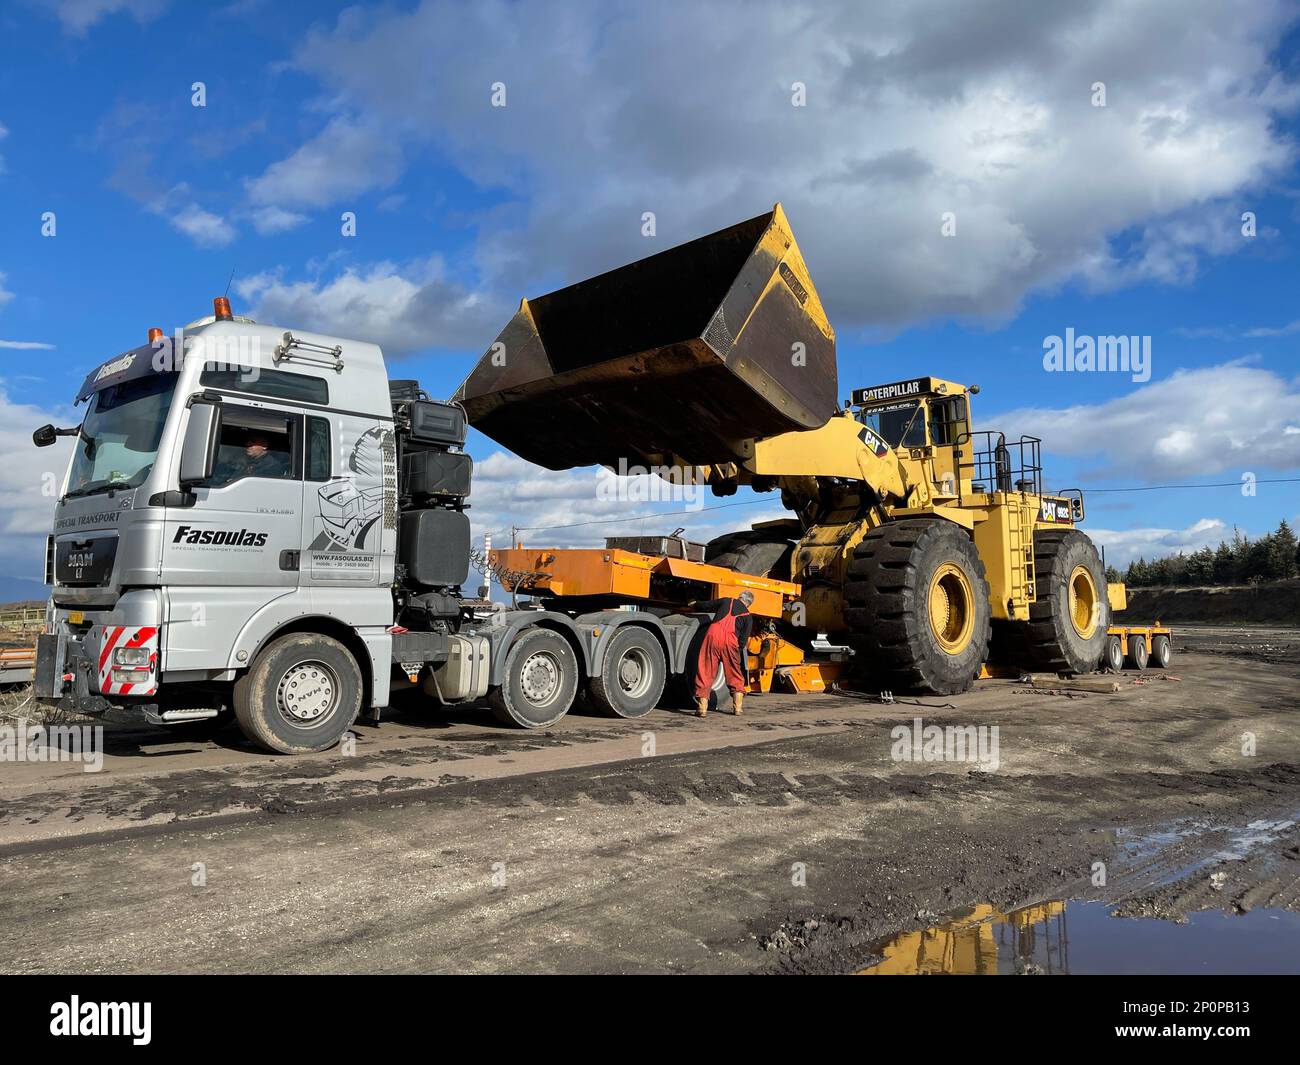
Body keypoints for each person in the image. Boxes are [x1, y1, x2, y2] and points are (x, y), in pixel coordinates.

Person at [691, 590, 754, 718]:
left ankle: (702, 709)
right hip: (731, 643)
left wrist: (694, 603)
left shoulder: (727, 601)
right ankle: (738, 708)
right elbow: (743, 640)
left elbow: (707, 605)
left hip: (712, 637)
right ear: (748, 604)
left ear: (739, 597)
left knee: (705, 671)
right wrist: (736, 650)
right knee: (734, 673)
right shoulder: (748, 616)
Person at [213, 433, 287, 485]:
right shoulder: (248, 462)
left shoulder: (272, 466)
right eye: (248, 442)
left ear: (264, 445)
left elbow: (258, 486)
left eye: (252, 442)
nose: (248, 444)